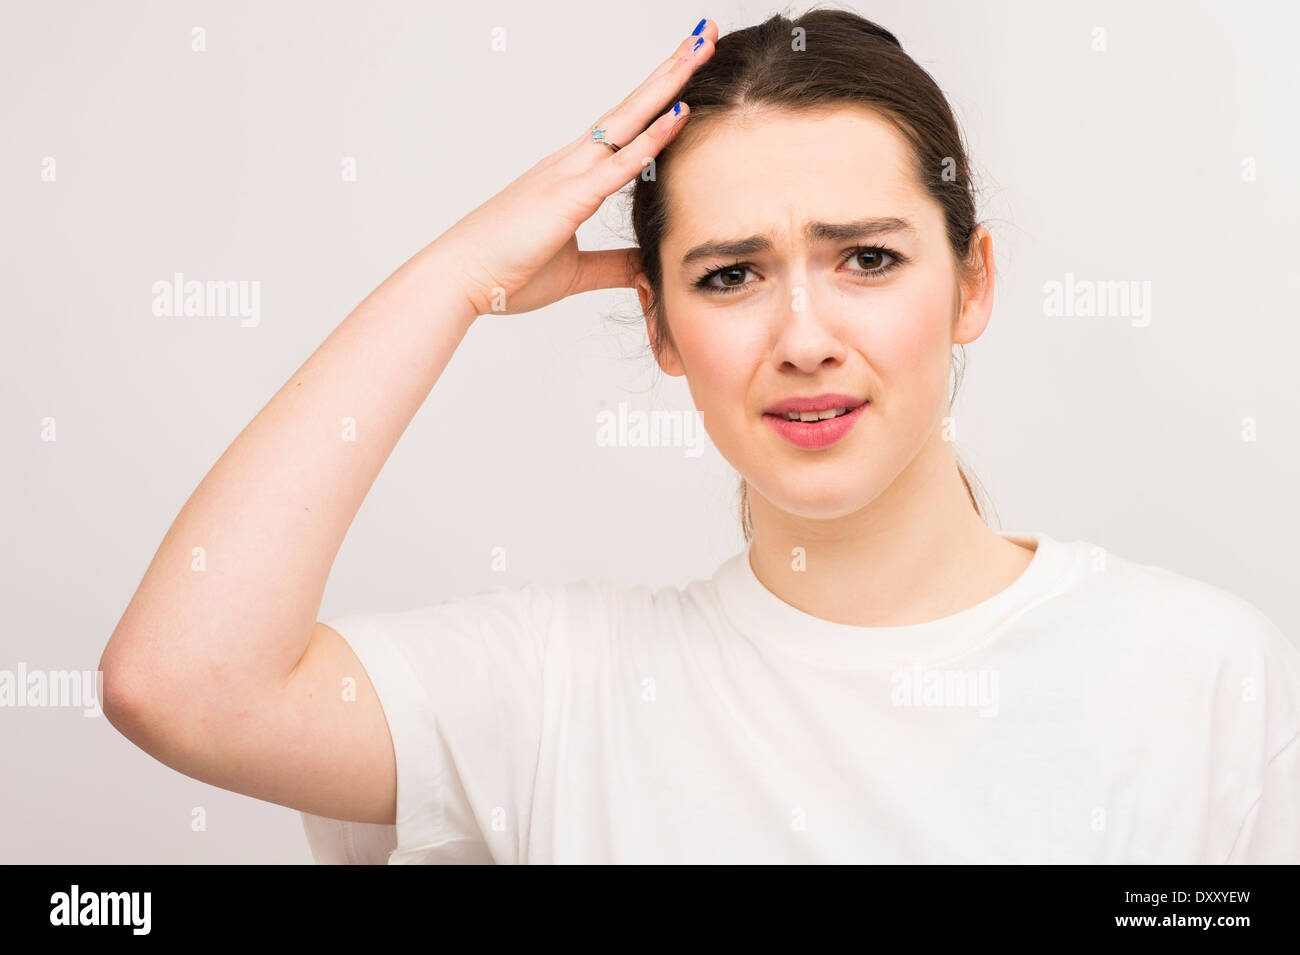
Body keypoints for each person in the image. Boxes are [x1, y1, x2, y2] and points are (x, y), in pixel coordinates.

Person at [100, 9, 1300, 864]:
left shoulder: (1197, 671)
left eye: (868, 259)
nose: (804, 336)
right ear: (661, 327)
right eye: (729, 276)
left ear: (972, 281)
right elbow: (181, 685)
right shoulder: (559, 692)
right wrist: (454, 275)